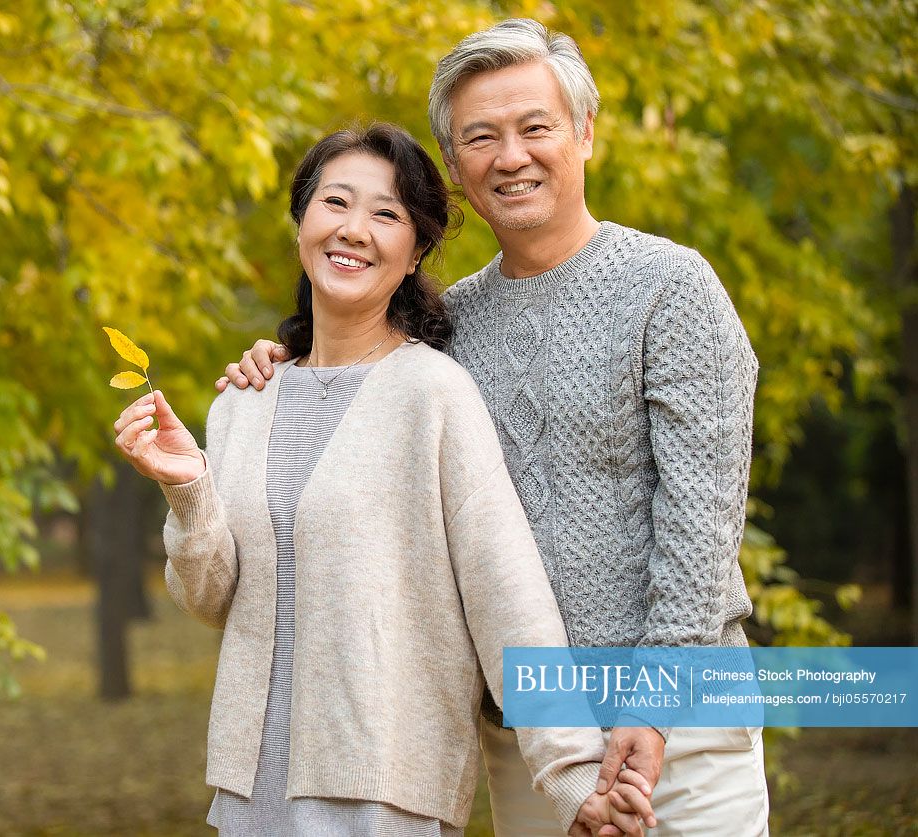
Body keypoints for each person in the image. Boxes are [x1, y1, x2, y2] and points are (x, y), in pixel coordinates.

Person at [219, 19, 770, 837]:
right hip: (530, 741)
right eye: (480, 137)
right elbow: (356, 376)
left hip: (682, 733)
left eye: (534, 127)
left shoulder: (670, 288)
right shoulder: (450, 328)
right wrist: (276, 366)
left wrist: (649, 716)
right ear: (454, 168)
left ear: (583, 133)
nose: (510, 156)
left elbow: (700, 528)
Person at [114, 123, 656, 836]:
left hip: (383, 794)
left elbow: (508, 594)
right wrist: (188, 490)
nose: (353, 229)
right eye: (334, 202)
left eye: (386, 214)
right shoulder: (242, 404)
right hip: (248, 794)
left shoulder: (433, 394)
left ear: (414, 254)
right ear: (301, 223)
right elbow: (212, 598)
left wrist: (570, 774)